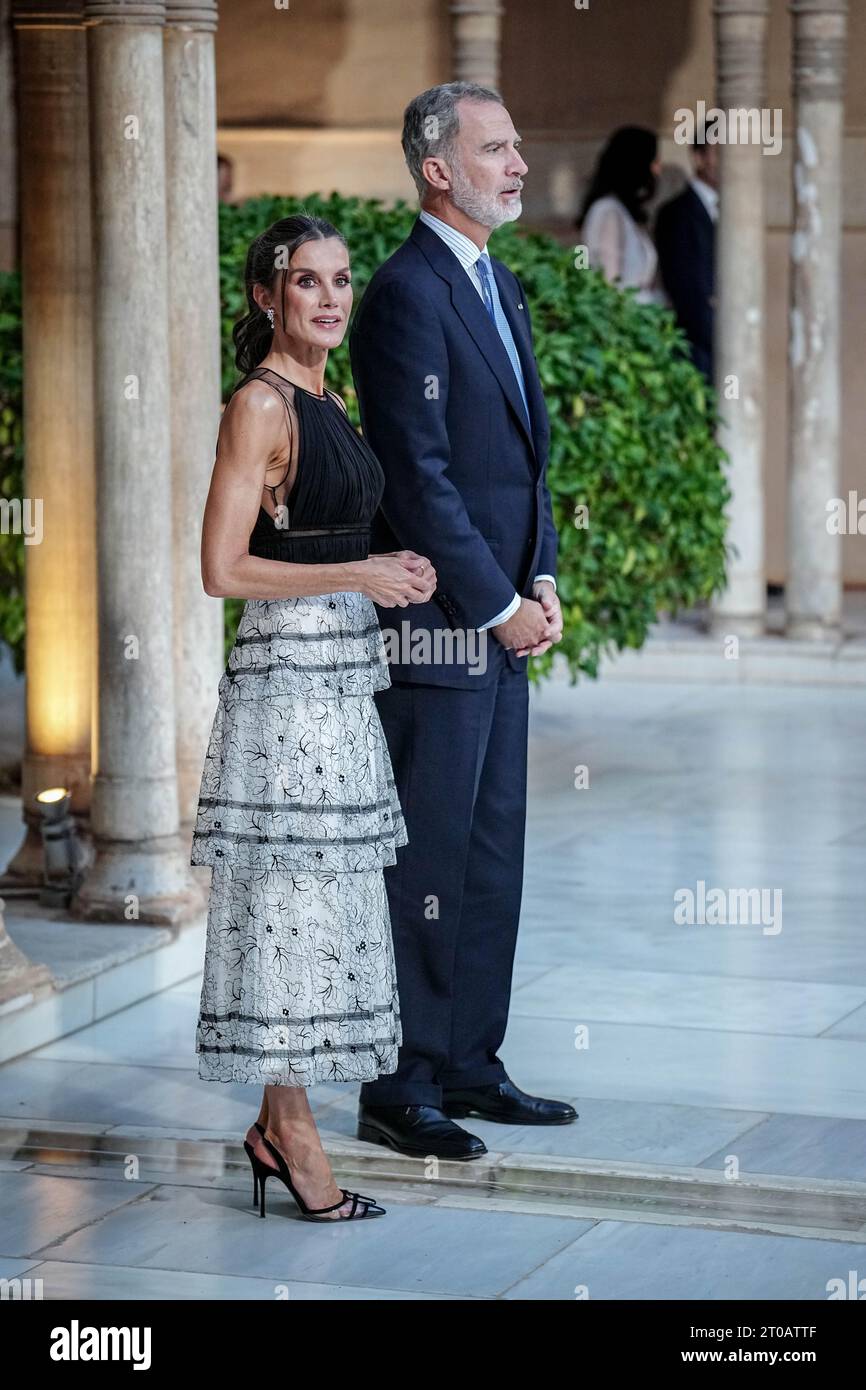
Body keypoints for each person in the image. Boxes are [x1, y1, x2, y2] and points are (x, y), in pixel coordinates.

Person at [190, 214, 437, 1221]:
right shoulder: (256, 404)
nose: (330, 298)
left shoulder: (327, 394)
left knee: (315, 908)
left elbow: (330, 521)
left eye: (340, 280)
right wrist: (359, 571)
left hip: (339, 671)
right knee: (289, 905)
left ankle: (274, 1122)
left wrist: (395, 570)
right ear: (267, 296)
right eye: (306, 282)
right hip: (288, 680)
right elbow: (221, 568)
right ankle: (290, 1132)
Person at [349, 81, 575, 1162]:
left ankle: (472, 1064)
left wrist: (542, 580)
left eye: (516, 143)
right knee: (428, 861)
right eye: (495, 147)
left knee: (490, 855)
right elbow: (422, 480)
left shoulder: (500, 285)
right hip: (439, 631)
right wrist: (492, 605)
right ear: (437, 169)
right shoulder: (403, 293)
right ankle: (401, 1082)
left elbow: (524, 470)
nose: (518, 162)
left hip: (499, 619)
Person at [655, 133, 718, 380]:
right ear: (699, 157)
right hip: (694, 351)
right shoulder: (676, 214)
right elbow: (686, 292)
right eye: (720, 150)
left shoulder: (729, 213)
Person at [578, 125, 664, 304]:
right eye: (654, 161)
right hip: (627, 321)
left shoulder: (621, 212)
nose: (658, 169)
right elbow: (609, 284)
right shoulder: (608, 211)